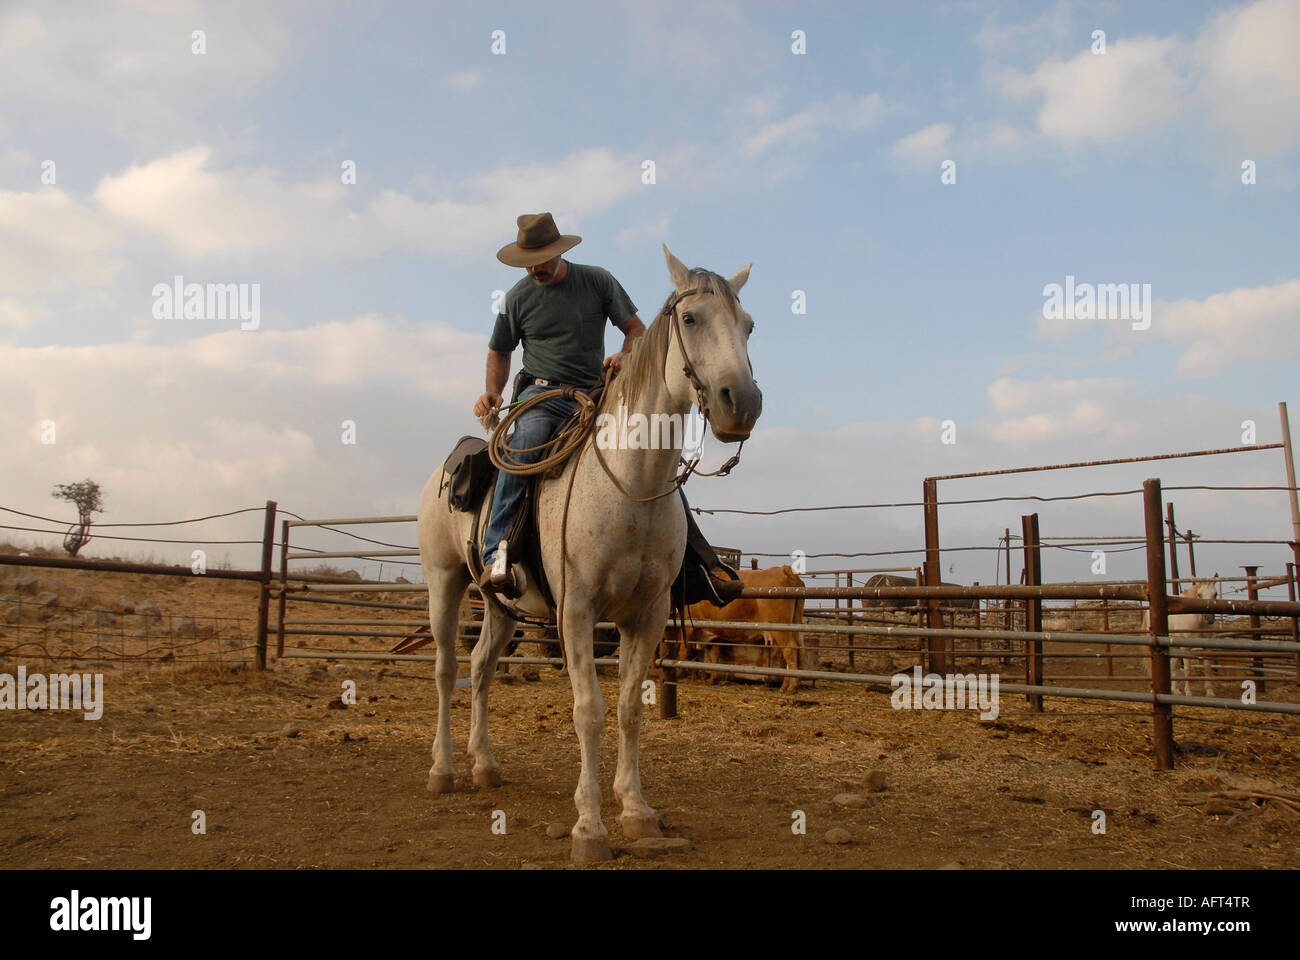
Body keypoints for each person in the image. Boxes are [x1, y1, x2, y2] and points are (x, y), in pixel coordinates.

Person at [474, 212, 740, 605]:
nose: (535, 268)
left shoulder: (597, 281)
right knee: (524, 443)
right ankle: (498, 551)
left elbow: (636, 330)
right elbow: (500, 350)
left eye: (542, 258)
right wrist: (492, 391)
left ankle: (699, 561)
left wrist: (625, 355)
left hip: (596, 393)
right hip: (542, 397)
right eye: (527, 261)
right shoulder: (516, 298)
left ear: (559, 252)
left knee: (650, 454)